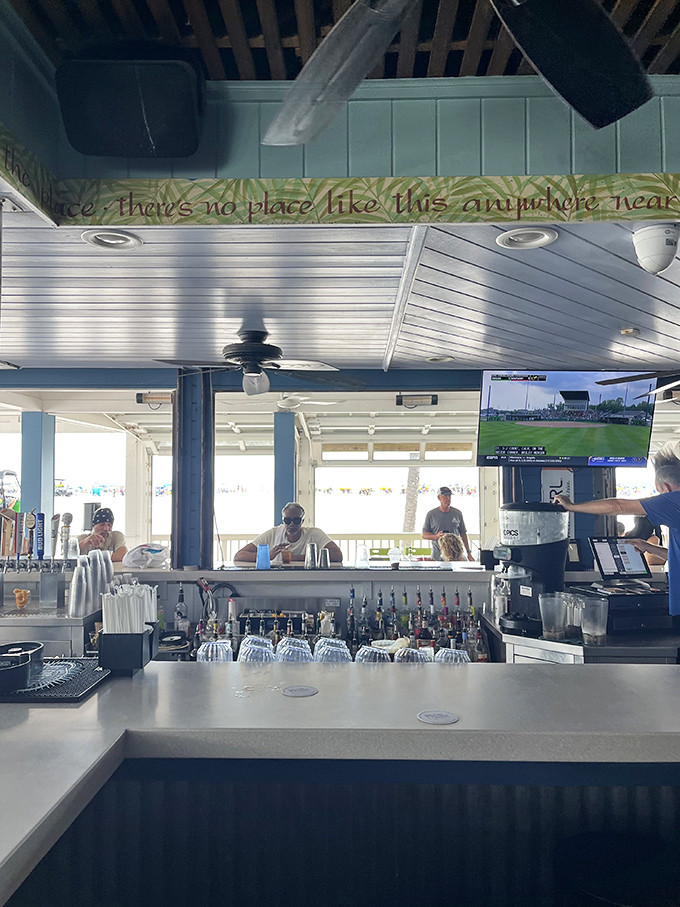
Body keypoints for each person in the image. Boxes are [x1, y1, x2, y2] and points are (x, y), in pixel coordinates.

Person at [553, 447, 680, 614]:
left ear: (666, 488)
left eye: (659, 492)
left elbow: (618, 506)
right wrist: (648, 547)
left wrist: (571, 506)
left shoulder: (673, 501)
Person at [233, 502, 343, 564]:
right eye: (287, 520)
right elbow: (239, 556)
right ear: (283, 521)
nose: (291, 524)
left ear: (302, 521)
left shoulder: (314, 534)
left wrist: (297, 558)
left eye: (296, 520)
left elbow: (337, 555)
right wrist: (267, 556)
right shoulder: (273, 534)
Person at [422, 486, 474, 561]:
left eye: (449, 496)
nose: (448, 498)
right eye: (445, 496)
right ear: (439, 498)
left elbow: (463, 533)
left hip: (456, 558)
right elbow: (424, 534)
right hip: (437, 557)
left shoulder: (457, 513)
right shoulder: (431, 514)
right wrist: (436, 536)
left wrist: (468, 553)